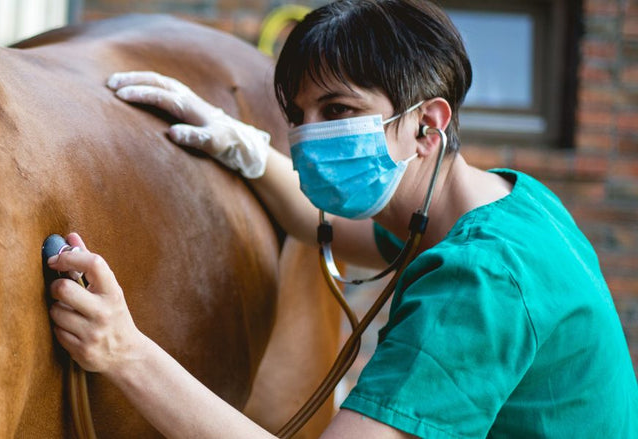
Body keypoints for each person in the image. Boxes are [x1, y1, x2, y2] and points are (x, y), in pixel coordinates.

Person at [46, 0, 638, 437]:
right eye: (300, 114)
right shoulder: (508, 203)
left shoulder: (480, 284)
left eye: (339, 110)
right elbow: (321, 225)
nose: (309, 136)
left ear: (427, 125)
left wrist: (124, 352)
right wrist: (244, 148)